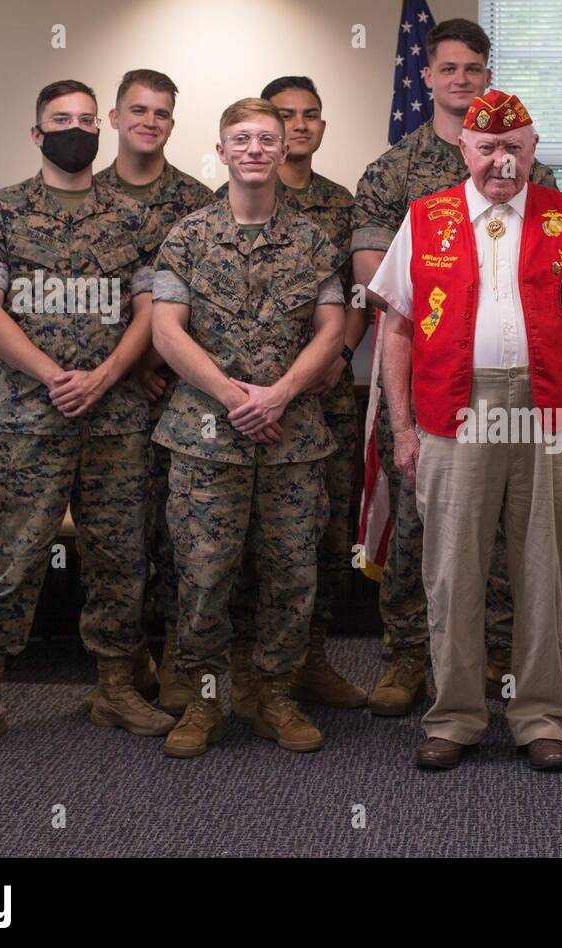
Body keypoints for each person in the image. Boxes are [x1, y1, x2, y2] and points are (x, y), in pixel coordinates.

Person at [370, 90, 562, 771]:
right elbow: (395, 328)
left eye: (515, 147)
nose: (501, 162)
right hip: (456, 409)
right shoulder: (425, 219)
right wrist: (402, 428)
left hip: (549, 412)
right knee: (452, 571)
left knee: (545, 569)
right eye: (488, 149)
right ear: (465, 149)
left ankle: (541, 716)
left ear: (534, 149)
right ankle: (454, 716)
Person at [0, 79, 170, 751]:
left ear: (101, 131)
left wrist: (103, 376)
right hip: (26, 423)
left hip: (116, 419)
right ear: (37, 134)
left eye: (86, 119)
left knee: (122, 557)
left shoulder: (134, 219)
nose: (76, 129)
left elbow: (148, 311)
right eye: (60, 119)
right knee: (10, 558)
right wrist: (53, 377)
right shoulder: (1, 212)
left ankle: (116, 688)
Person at [351, 18, 557, 716]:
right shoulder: (392, 172)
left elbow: (551, 269)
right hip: (426, 374)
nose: (462, 78)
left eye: (475, 68)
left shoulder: (528, 164)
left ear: (485, 78)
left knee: (504, 525)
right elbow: (378, 277)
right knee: (419, 520)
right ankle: (411, 654)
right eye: (449, 68)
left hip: (511, 383)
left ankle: (495, 652)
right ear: (428, 77)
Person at [149, 98, 345, 758]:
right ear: (224, 149)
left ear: (286, 147)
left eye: (268, 137)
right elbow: (165, 331)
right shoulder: (188, 237)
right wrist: (235, 396)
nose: (257, 148)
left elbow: (332, 330)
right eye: (243, 138)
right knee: (204, 575)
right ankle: (203, 701)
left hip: (291, 438)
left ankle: (275, 696)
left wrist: (281, 394)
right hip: (207, 435)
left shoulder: (315, 240)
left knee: (291, 573)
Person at [214, 76, 367, 711]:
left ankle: (309, 659)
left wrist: (341, 353)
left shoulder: (341, 205)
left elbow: (358, 294)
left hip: (321, 400)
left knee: (321, 539)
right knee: (239, 542)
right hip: (238, 405)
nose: (297, 127)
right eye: (284, 117)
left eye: (309, 116)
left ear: (319, 129)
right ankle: (247, 672)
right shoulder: (215, 208)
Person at [90, 68, 216, 714]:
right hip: (109, 401)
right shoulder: (84, 194)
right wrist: (127, 362)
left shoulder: (195, 202)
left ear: (172, 122)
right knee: (118, 539)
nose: (149, 120)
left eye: (161, 112)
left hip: (179, 399)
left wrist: (163, 355)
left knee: (181, 539)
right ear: (114, 118)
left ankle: (174, 665)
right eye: (137, 110)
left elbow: (208, 299)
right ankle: (117, 673)